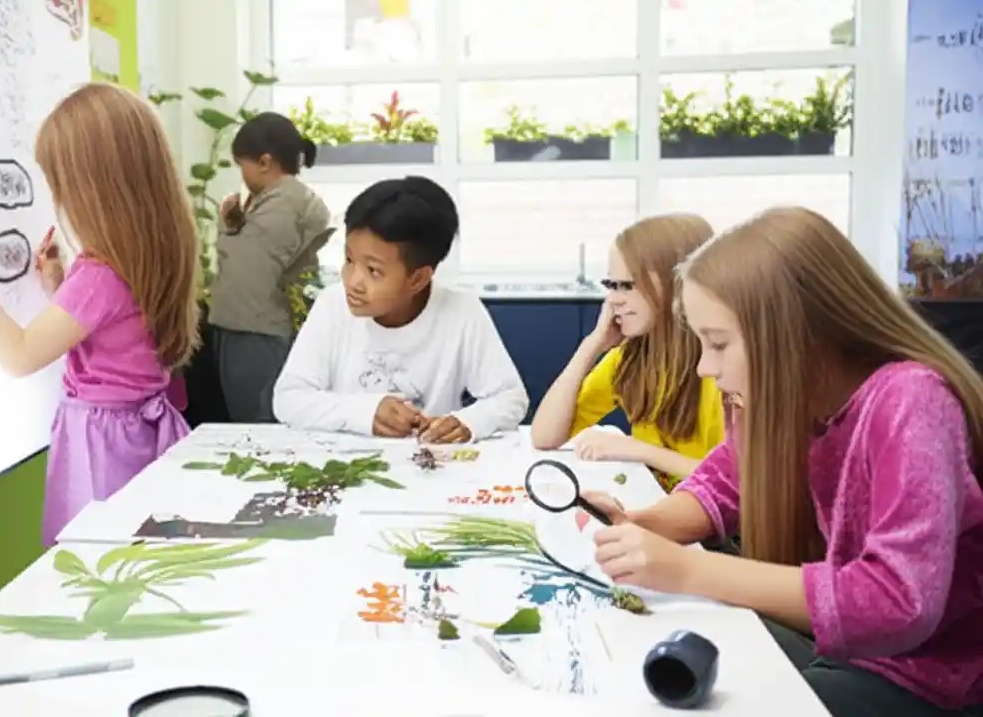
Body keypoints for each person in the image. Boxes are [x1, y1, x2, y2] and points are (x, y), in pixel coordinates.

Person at [585, 207, 983, 716]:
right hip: (845, 651)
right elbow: (728, 479)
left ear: (794, 333)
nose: (706, 367)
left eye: (719, 344)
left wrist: (688, 570)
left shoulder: (911, 400)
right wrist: (647, 524)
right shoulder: (785, 399)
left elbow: (898, 602)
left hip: (927, 680)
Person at [0, 83, 200, 545]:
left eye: (61, 183)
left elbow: (17, 355)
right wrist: (59, 288)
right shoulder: (155, 251)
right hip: (136, 437)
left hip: (101, 449)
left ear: (96, 189)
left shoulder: (100, 275)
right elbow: (119, 335)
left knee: (94, 565)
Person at [272, 176, 528, 443]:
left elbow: (510, 398)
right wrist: (365, 413)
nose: (352, 281)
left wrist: (467, 422)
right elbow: (289, 399)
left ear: (417, 279)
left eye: (373, 271)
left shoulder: (461, 311)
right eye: (349, 259)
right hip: (343, 469)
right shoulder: (332, 306)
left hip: (432, 467)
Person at [530, 213, 724, 490]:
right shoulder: (631, 358)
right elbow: (545, 437)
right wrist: (592, 344)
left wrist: (635, 449)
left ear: (678, 283)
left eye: (627, 286)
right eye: (611, 285)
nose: (613, 300)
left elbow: (734, 482)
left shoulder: (719, 371)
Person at [208, 112, 333, 423]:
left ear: (264, 162)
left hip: (256, 331)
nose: (242, 175)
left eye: (242, 166)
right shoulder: (274, 200)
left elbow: (246, 262)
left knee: (258, 420)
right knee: (251, 415)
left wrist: (226, 224)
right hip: (248, 328)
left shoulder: (285, 203)